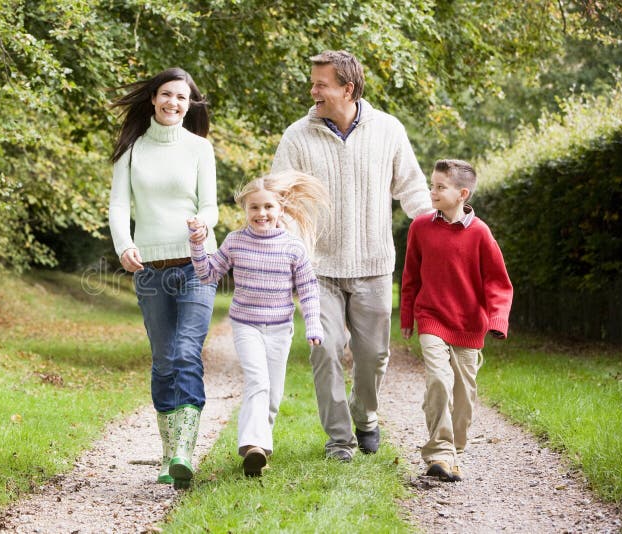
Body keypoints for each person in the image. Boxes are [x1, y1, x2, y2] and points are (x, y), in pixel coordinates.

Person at [271, 50, 432, 462]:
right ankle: (339, 439)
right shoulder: (297, 136)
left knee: (373, 356)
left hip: (373, 266)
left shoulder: (388, 130)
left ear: (348, 88)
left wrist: (438, 224)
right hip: (317, 269)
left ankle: (366, 416)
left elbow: (412, 189)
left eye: (321, 84)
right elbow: (280, 200)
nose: (313, 91)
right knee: (324, 350)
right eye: (313, 83)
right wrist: (291, 248)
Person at [108, 67, 218, 489]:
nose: (174, 103)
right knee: (164, 359)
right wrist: (124, 244)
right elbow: (119, 206)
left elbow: (210, 206)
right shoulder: (131, 150)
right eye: (168, 95)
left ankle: (183, 453)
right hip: (149, 268)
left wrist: (203, 225)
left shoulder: (199, 149)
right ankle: (168, 448)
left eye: (183, 98)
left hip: (197, 264)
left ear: (190, 106)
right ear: (154, 98)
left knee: (187, 351)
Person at [188, 171, 327, 477]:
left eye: (267, 207)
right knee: (258, 382)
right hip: (246, 325)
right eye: (254, 207)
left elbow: (307, 289)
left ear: (280, 210)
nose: (261, 213)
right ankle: (251, 445)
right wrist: (198, 246)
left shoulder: (293, 247)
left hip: (280, 328)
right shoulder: (235, 241)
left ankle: (261, 451)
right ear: (245, 210)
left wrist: (314, 324)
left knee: (273, 395)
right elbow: (207, 274)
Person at [400, 159, 513, 482]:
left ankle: (454, 450)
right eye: (431, 185)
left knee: (464, 399)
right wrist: (408, 315)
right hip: (431, 317)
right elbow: (410, 278)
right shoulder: (420, 227)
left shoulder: (480, 233)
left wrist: (497, 320)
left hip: (468, 324)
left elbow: (498, 282)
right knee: (438, 380)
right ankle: (439, 453)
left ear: (462, 193)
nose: (432, 191)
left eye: (439, 187)